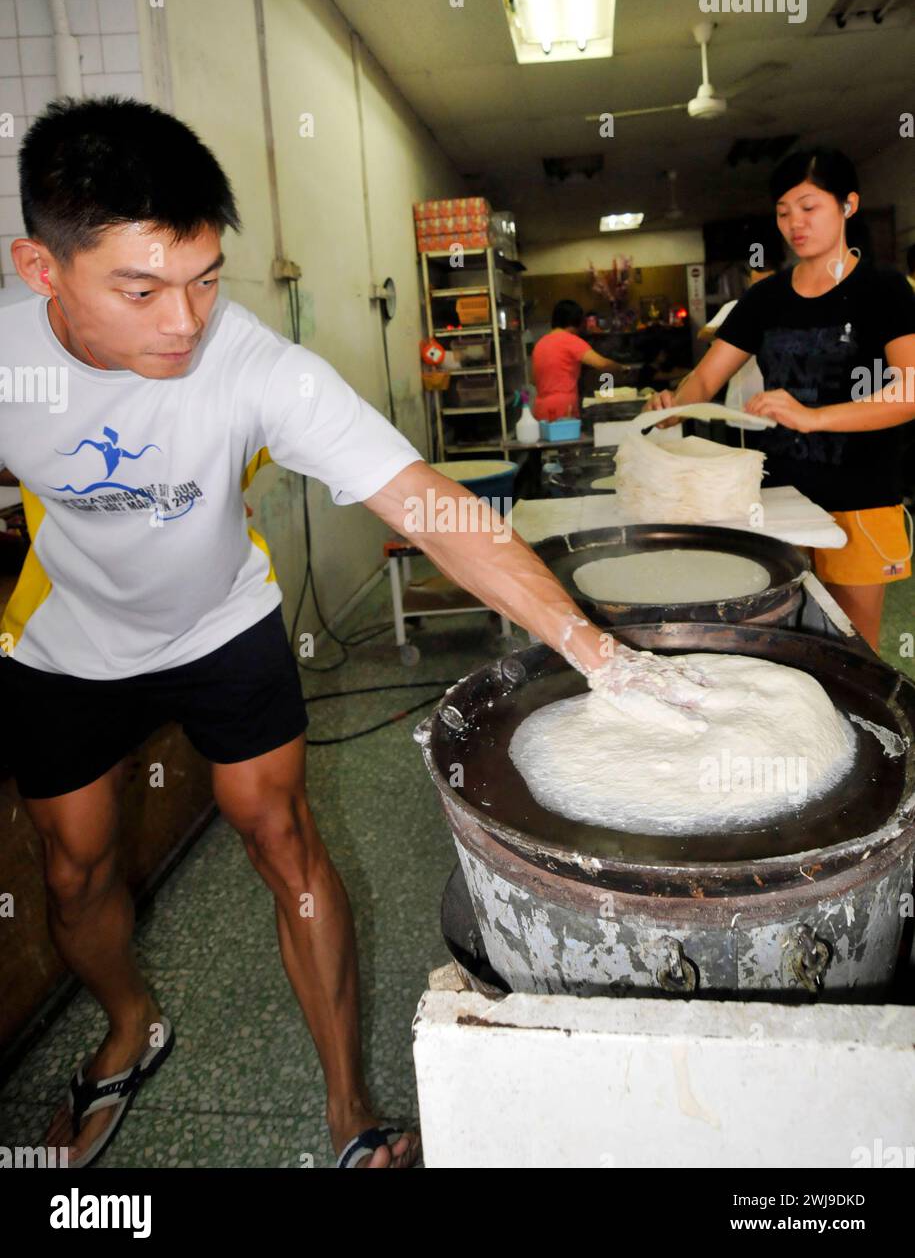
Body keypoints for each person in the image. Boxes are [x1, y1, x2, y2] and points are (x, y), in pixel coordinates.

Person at [0, 97, 701, 1170]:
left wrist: (594, 647)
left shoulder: (256, 366)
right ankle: (130, 1026)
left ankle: (348, 1112)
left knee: (283, 840)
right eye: (141, 290)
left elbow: (431, 506)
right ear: (41, 271)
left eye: (204, 277)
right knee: (73, 871)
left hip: (221, 624)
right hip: (62, 645)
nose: (184, 323)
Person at [646, 146, 915, 649]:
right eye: (783, 212)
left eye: (809, 207)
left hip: (860, 501)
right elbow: (704, 381)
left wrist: (814, 417)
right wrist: (674, 406)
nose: (795, 223)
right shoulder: (764, 299)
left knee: (853, 652)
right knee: (781, 643)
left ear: (848, 205)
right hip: (777, 502)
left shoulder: (884, 290)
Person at [697, 260, 778, 416]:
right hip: (740, 405)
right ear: (749, 283)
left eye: (766, 283)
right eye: (756, 283)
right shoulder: (735, 307)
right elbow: (702, 334)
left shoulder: (786, 311)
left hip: (776, 408)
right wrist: (736, 330)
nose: (760, 289)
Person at [531, 299, 627, 421]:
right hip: (563, 409)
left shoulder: (540, 344)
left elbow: (533, 380)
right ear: (577, 322)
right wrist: (621, 367)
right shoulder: (571, 341)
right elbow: (602, 364)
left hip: (541, 409)